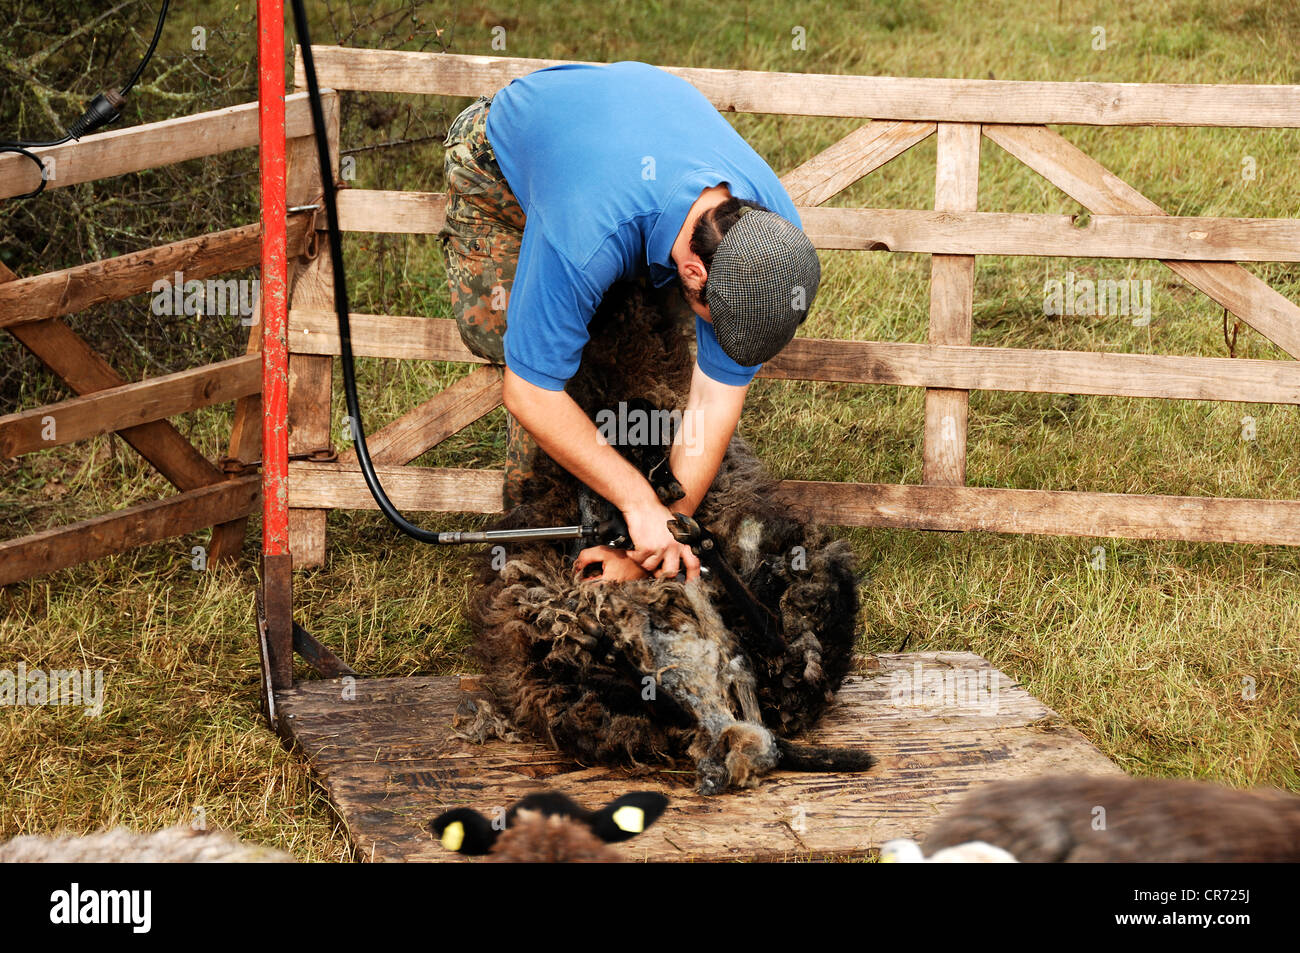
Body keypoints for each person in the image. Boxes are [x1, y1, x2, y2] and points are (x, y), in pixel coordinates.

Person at [438, 60, 820, 584]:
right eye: (714, 319)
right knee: (535, 351)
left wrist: (666, 528)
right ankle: (536, 550)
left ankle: (614, 526)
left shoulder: (771, 237)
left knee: (636, 344)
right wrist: (641, 505)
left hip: (620, 155)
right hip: (500, 161)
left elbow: (715, 399)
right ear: (692, 269)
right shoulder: (585, 232)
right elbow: (529, 392)